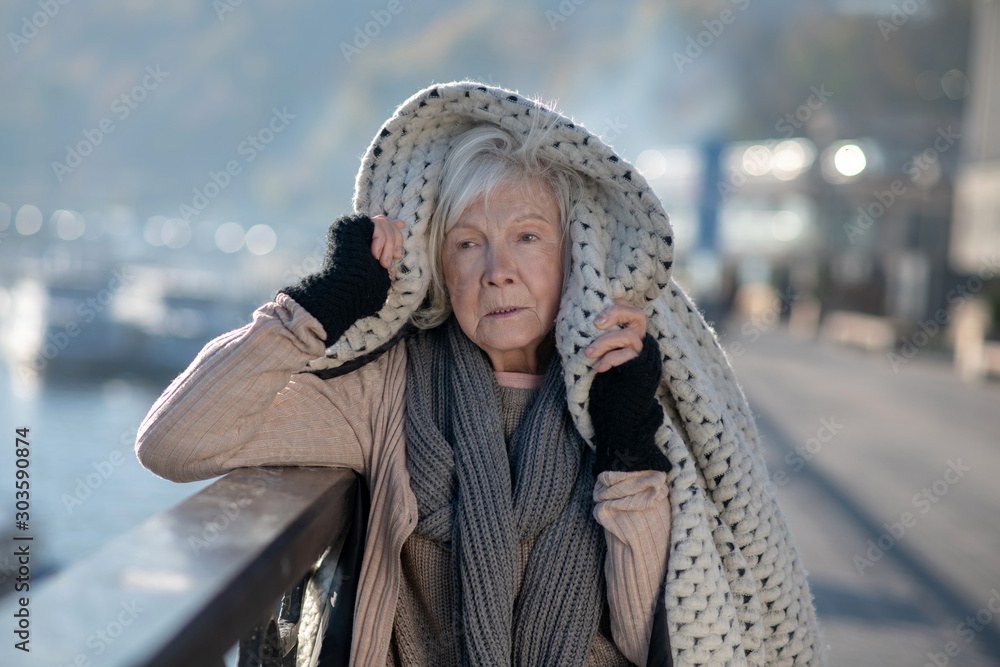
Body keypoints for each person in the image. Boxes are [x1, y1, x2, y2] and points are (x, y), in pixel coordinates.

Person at [136, 81, 824, 667]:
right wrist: (320, 302)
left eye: (527, 236)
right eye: (469, 243)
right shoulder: (386, 389)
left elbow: (652, 639)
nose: (498, 269)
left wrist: (628, 446)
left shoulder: (619, 395)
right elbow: (176, 441)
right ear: (441, 264)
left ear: (572, 256)